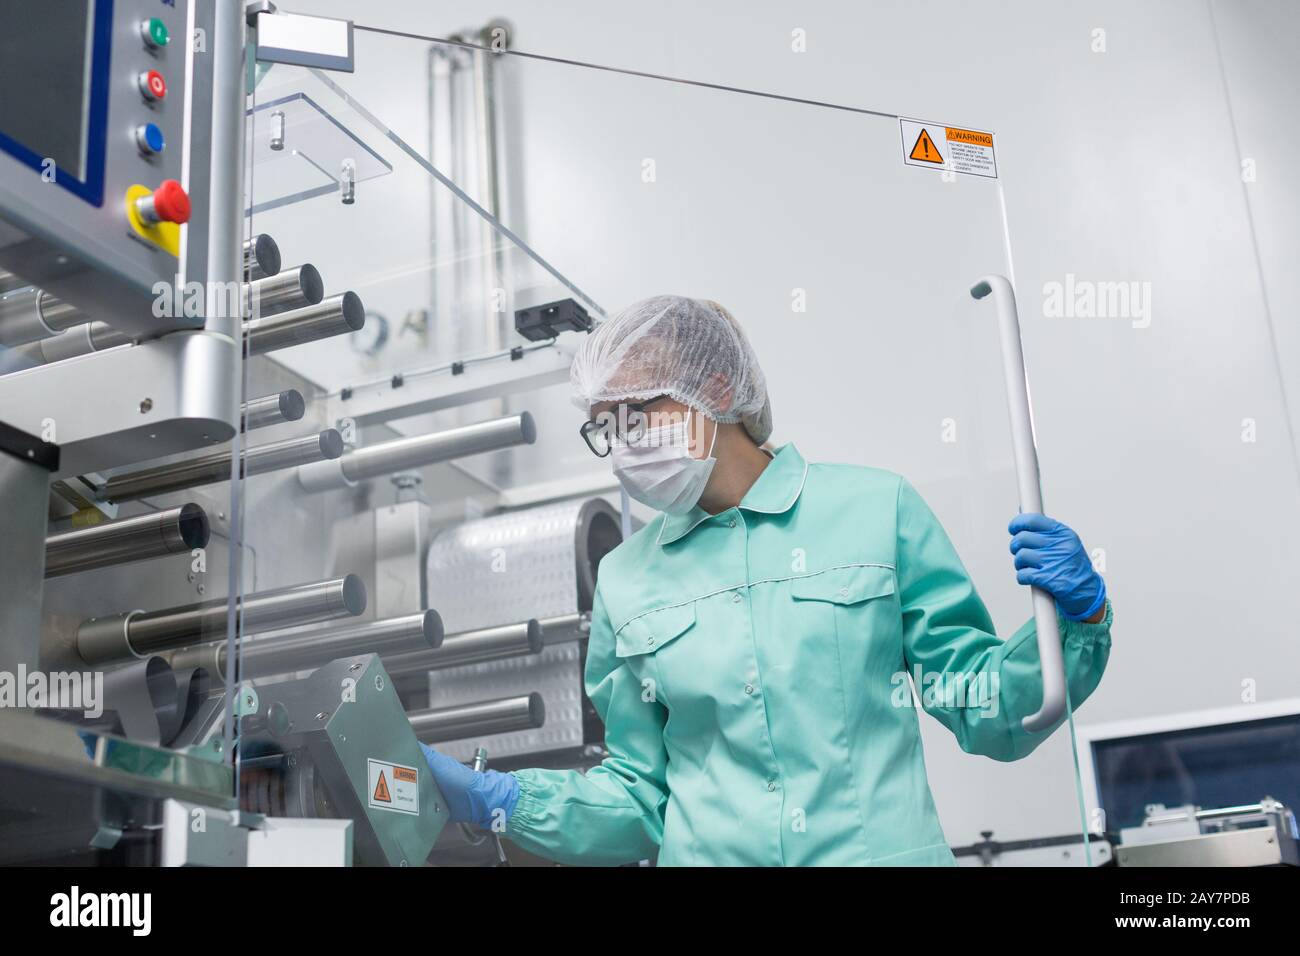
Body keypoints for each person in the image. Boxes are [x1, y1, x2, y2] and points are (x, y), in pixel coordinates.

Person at [420, 294, 1111, 866]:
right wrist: (502, 799)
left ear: (716, 388)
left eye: (637, 411)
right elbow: (638, 799)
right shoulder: (625, 579)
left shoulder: (875, 511)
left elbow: (985, 709)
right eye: (604, 426)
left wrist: (1076, 628)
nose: (623, 443)